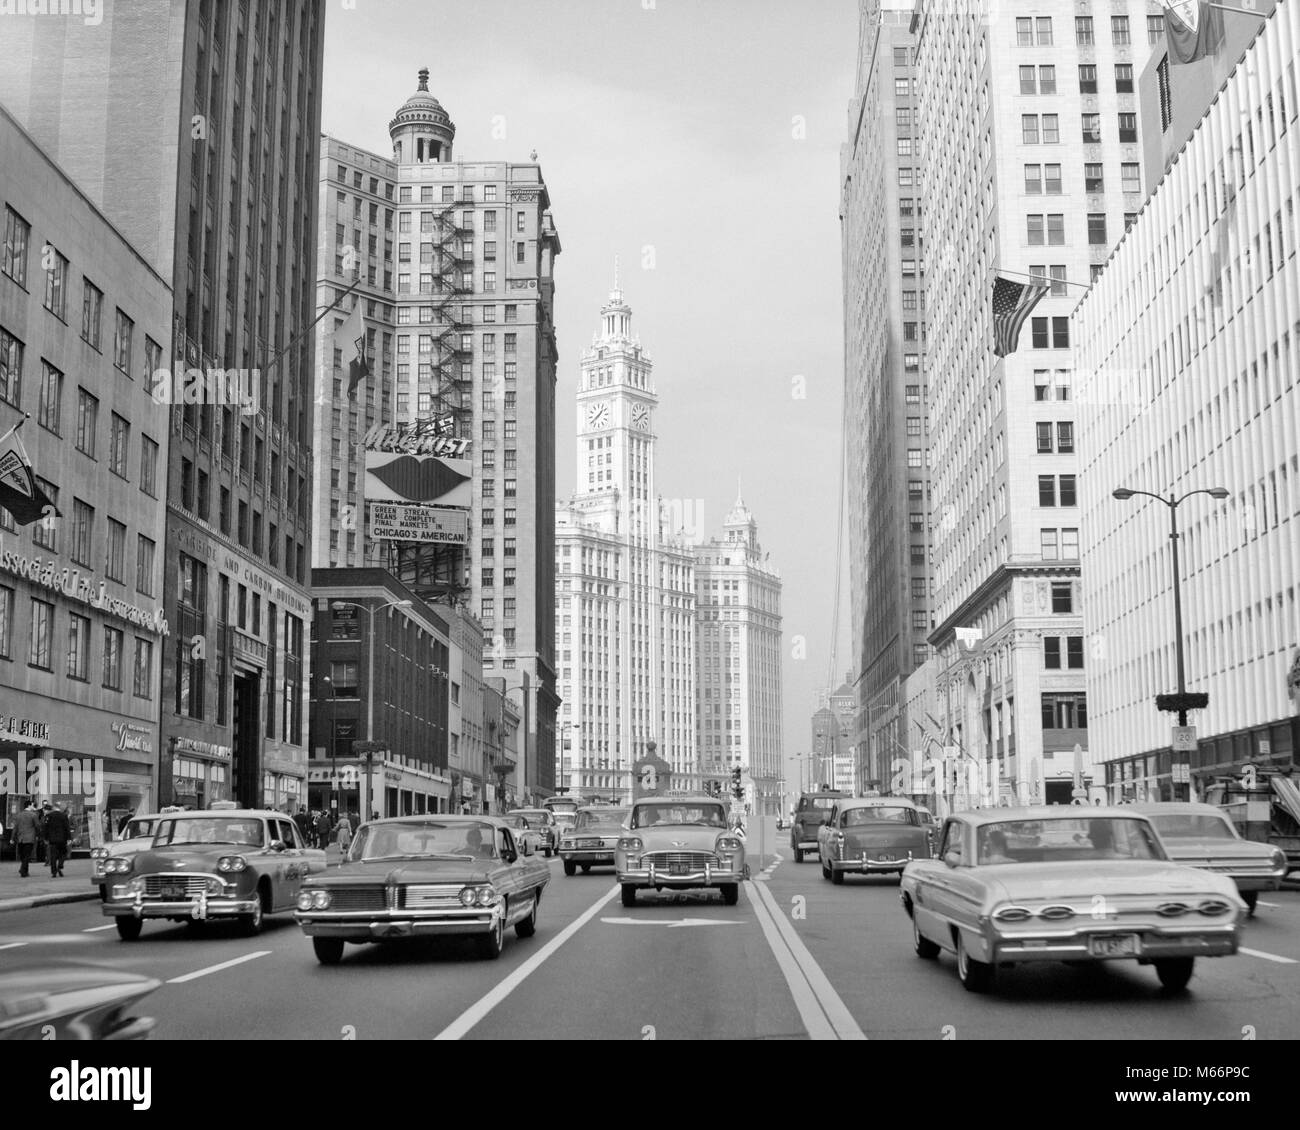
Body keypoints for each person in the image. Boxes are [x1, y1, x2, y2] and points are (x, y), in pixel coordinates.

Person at [43, 802, 71, 877]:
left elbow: (45, 828)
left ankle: (54, 872)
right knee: (63, 853)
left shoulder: (49, 816)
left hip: (52, 839)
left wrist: (45, 838)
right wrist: (69, 838)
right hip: (62, 839)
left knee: (53, 856)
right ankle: (60, 865)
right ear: (59, 808)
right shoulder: (64, 816)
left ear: (53, 808)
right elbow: (67, 828)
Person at [13, 802, 39, 878]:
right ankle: (23, 870)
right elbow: (37, 826)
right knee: (27, 855)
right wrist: (38, 835)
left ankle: (25, 870)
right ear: (29, 805)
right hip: (30, 838)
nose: (33, 806)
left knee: (23, 855)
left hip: (20, 838)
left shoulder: (19, 815)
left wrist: (12, 838)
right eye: (32, 805)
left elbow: (15, 827)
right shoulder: (33, 815)